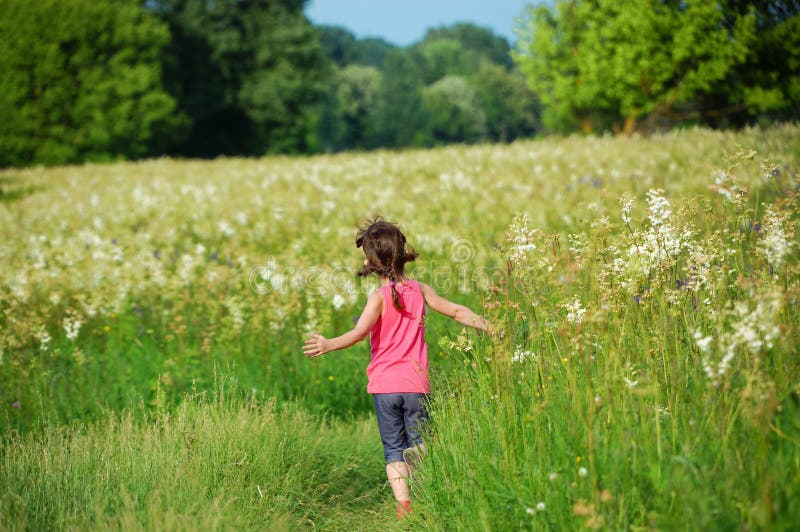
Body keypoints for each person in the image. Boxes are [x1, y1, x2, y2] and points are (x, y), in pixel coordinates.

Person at [303, 218, 491, 520]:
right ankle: (422, 468)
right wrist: (487, 324)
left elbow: (358, 333)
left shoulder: (377, 298)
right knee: (420, 442)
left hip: (384, 386)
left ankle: (404, 507)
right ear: (403, 253)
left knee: (393, 448)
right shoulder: (420, 290)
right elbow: (456, 311)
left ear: (370, 262)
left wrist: (328, 344)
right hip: (416, 384)